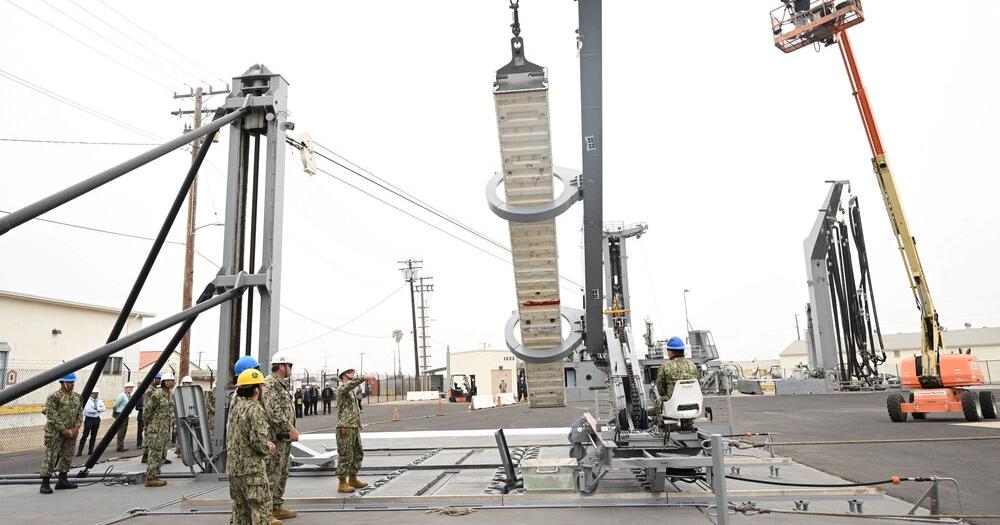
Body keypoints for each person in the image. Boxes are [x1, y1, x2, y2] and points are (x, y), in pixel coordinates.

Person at [227, 368, 277, 525]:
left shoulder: (237, 407)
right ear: (256, 389)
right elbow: (258, 442)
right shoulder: (255, 409)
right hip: (252, 471)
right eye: (261, 386)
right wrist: (269, 447)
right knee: (260, 510)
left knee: (240, 512)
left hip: (235, 469)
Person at [263, 354, 300, 521]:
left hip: (283, 438)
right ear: (281, 366)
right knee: (272, 474)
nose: (291, 368)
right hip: (275, 438)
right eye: (289, 365)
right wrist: (290, 428)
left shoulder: (281, 385)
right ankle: (266, 512)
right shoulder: (270, 384)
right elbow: (273, 411)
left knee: (282, 473)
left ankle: (276, 507)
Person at [39, 373, 82, 494]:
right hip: (55, 433)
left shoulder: (77, 397)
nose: (72, 385)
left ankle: (62, 480)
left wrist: (76, 428)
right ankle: (45, 483)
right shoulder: (54, 397)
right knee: (51, 457)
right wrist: (64, 430)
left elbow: (80, 413)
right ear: (63, 383)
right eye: (70, 383)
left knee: (67, 455)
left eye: (73, 382)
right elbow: (52, 416)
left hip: (71, 432)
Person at [336, 368, 371, 493]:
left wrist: (359, 423)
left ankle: (352, 479)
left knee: (357, 453)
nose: (353, 374)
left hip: (353, 426)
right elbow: (351, 384)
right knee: (345, 454)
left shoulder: (351, 391)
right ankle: (342, 483)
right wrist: (363, 378)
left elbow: (353, 408)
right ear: (344, 375)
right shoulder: (342, 388)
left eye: (353, 372)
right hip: (345, 426)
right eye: (350, 372)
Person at [143, 372, 176, 487]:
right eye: (169, 381)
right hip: (156, 429)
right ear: (163, 382)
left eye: (173, 381)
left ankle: (156, 475)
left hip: (165, 429)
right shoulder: (157, 394)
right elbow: (147, 410)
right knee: (155, 453)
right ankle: (150, 477)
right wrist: (147, 425)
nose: (172, 383)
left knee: (162, 454)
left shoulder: (170, 395)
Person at [655, 336, 700, 412]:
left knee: (658, 400)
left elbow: (661, 390)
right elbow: (698, 383)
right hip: (693, 403)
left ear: (670, 352)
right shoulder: (693, 365)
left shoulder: (665, 366)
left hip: (674, 405)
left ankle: (662, 422)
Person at [77, 388, 105, 456]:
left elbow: (103, 408)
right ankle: (80, 451)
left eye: (97, 393)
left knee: (93, 435)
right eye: (95, 393)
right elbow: (88, 409)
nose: (96, 395)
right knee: (85, 435)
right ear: (91, 394)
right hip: (89, 419)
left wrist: (96, 409)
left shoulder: (99, 401)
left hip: (96, 419)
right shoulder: (87, 400)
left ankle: (91, 451)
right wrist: (98, 410)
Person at [139, 373, 162, 460]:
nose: (159, 381)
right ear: (153, 379)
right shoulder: (149, 390)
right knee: (148, 436)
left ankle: (151, 455)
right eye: (158, 379)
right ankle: (145, 456)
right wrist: (147, 419)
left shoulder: (155, 389)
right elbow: (147, 406)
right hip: (149, 416)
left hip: (154, 417)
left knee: (153, 437)